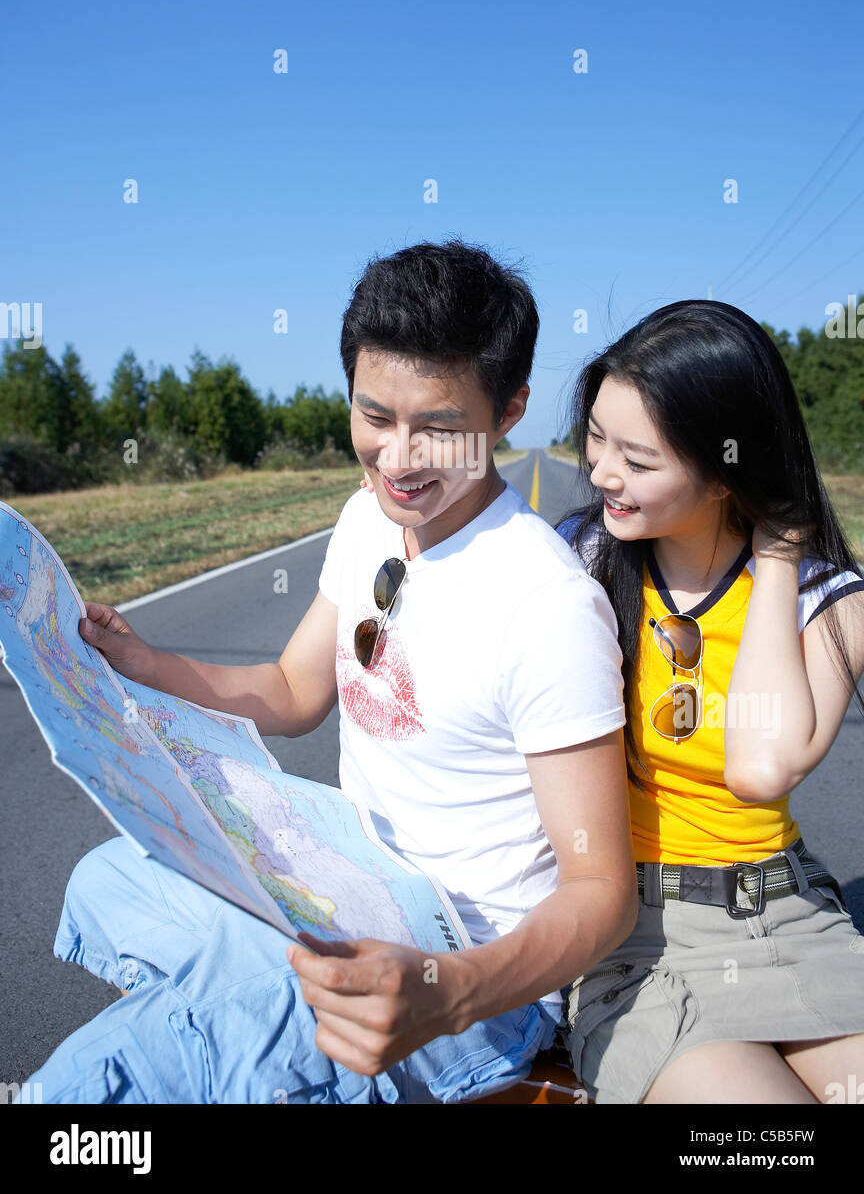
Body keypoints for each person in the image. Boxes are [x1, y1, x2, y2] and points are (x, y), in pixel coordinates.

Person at [24, 240, 635, 1104]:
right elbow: (291, 690)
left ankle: (225, 1041)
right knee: (105, 882)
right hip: (342, 890)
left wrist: (450, 992)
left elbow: (602, 891)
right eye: (374, 415)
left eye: (439, 429)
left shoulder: (548, 604)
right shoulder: (366, 522)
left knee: (103, 1079)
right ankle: (243, 1033)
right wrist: (142, 662)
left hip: (467, 973)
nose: (397, 458)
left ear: (509, 412)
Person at [557, 299, 864, 1105]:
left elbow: (759, 769)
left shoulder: (828, 601)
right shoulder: (581, 560)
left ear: (727, 472)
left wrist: (778, 558)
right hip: (637, 939)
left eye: (637, 458)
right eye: (597, 438)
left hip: (790, 918)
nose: (602, 473)